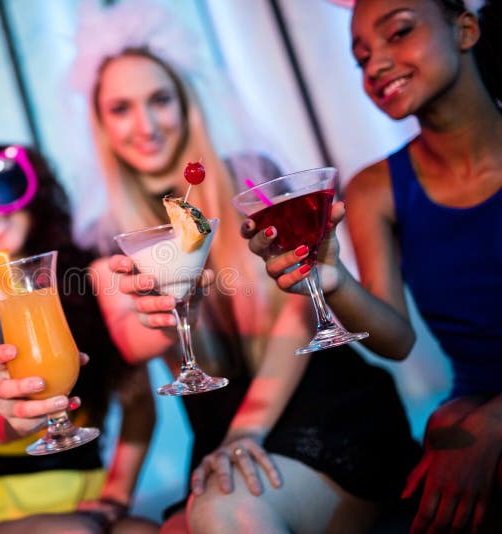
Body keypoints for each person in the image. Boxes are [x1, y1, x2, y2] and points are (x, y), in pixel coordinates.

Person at [61, 1, 421, 532]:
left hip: (321, 411)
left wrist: (245, 431)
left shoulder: (252, 182)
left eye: (160, 99)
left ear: (185, 103)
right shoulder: (106, 241)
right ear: (101, 125)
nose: (146, 125)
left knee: (228, 512)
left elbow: (299, 313)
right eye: (121, 108)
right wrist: (171, 313)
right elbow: (135, 348)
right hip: (219, 435)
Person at [244, 0, 502, 531]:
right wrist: (332, 280)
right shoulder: (373, 189)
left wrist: (493, 425)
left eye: (399, 32)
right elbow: (397, 340)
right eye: (361, 58)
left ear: (465, 30)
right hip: (469, 411)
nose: (376, 65)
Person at [0, 143, 158, 533]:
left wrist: (116, 496)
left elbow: (140, 405)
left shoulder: (89, 283)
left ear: (21, 184)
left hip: (85, 499)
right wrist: (11, 413)